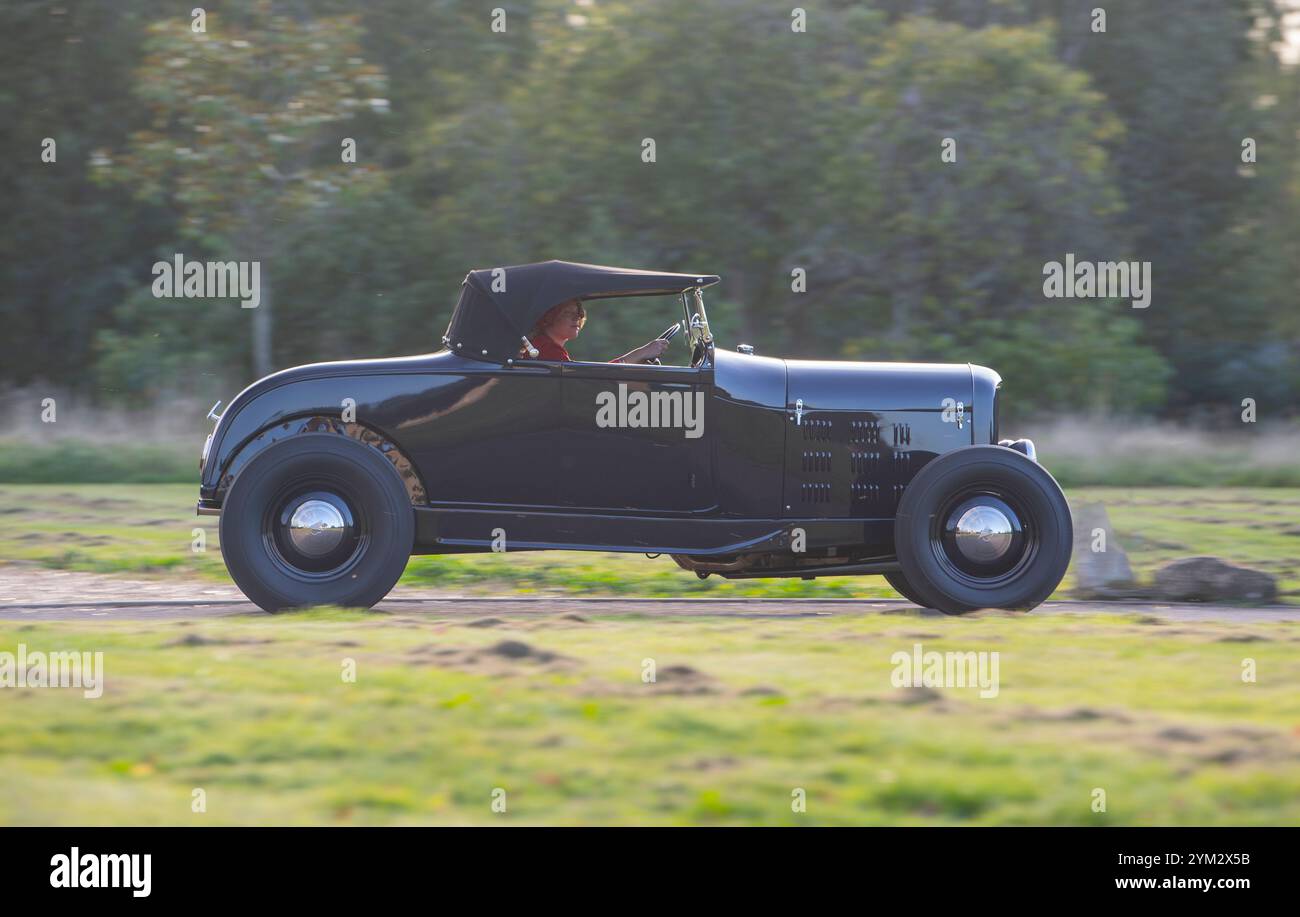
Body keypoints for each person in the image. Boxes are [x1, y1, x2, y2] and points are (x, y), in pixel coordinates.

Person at [521, 299, 669, 364]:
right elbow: (588, 383)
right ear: (549, 317)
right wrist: (641, 353)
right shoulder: (545, 350)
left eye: (578, 312)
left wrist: (638, 357)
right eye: (568, 313)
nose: (578, 317)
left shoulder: (544, 346)